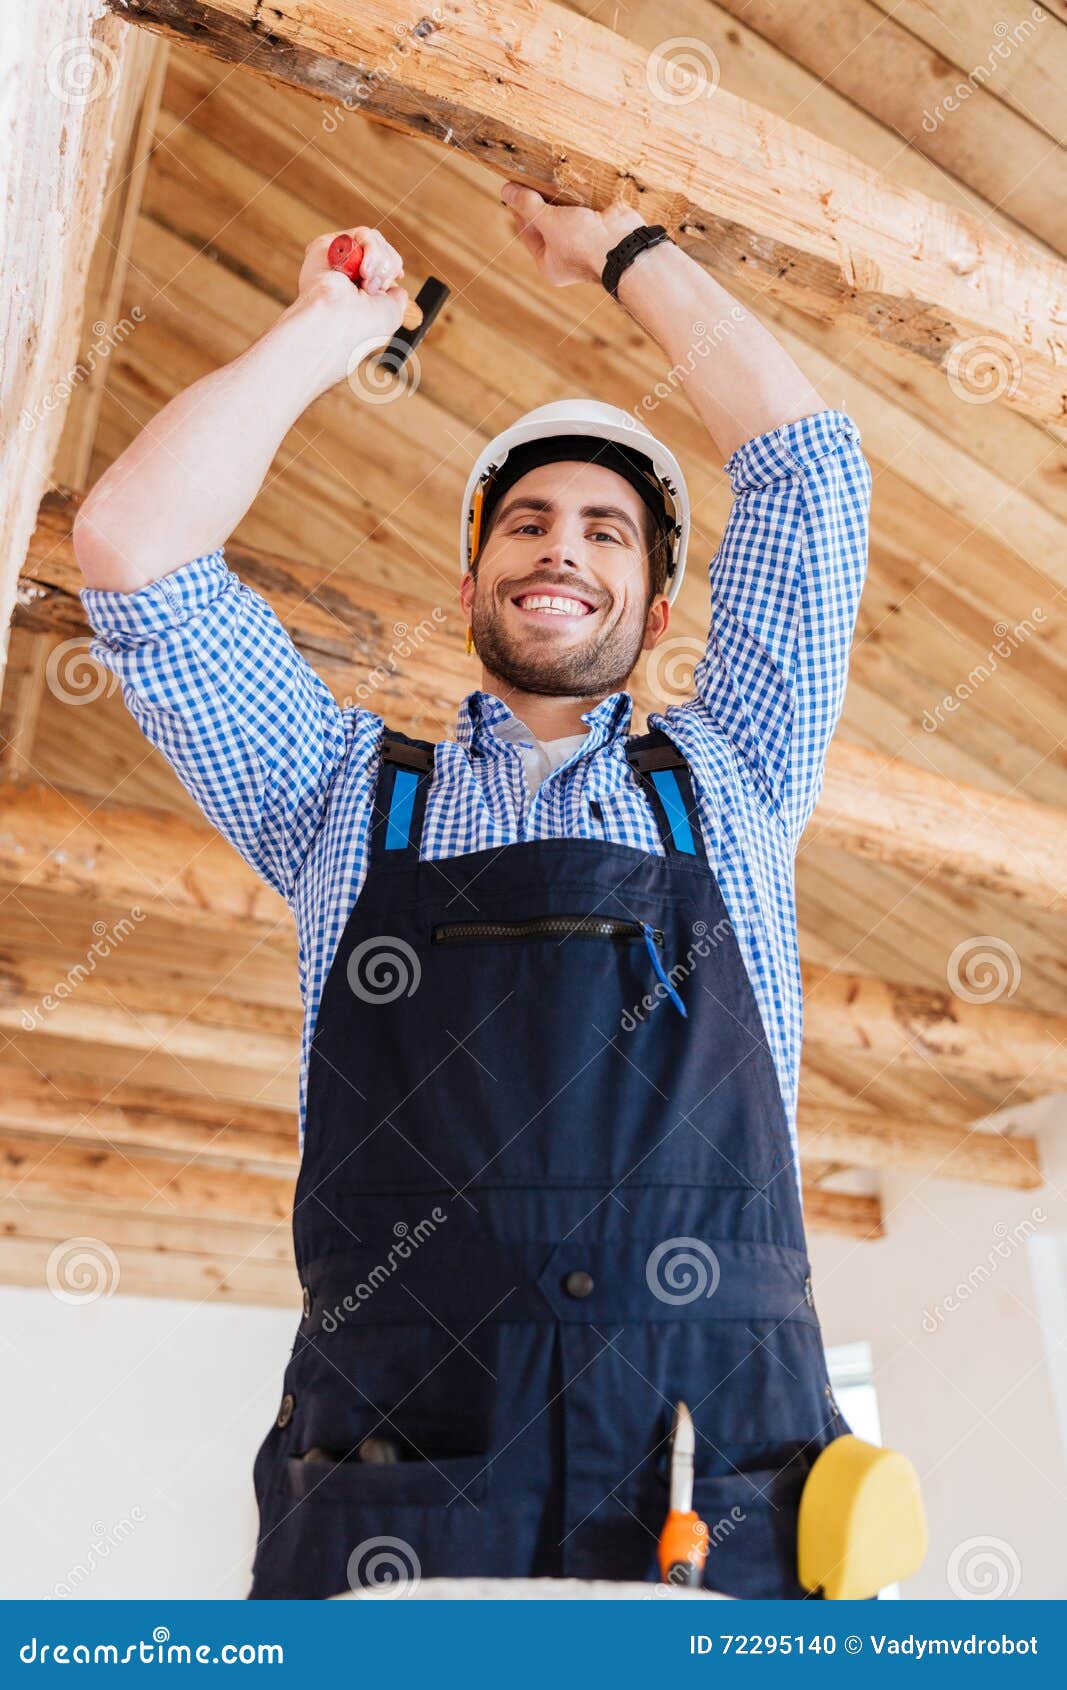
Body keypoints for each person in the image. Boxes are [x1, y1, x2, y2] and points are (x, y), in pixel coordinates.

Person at [73, 183, 872, 1599]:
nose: (562, 545)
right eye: (529, 523)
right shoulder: (341, 792)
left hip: (720, 1475)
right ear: (470, 584)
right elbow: (135, 554)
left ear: (661, 610)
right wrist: (328, 332)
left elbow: (807, 469)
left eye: (607, 531)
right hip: (401, 1482)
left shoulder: (736, 769)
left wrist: (624, 255)